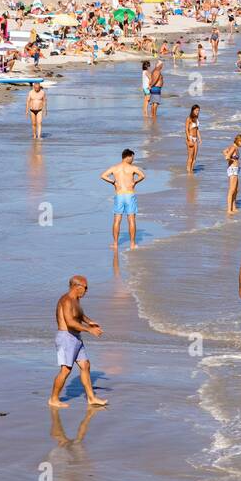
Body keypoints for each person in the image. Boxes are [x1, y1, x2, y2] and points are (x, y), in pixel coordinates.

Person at [49, 275, 108, 408]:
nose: (86, 291)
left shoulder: (76, 300)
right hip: (66, 338)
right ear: (77, 286)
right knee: (66, 370)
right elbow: (70, 323)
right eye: (85, 288)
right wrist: (89, 330)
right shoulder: (66, 300)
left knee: (85, 365)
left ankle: (91, 398)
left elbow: (79, 315)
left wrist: (89, 322)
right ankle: (53, 399)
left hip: (75, 338)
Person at [100, 148, 145, 247]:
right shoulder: (132, 168)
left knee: (117, 220)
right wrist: (135, 182)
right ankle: (132, 244)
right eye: (132, 157)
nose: (133, 160)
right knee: (131, 219)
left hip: (119, 195)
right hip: (129, 194)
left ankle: (115, 244)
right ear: (128, 157)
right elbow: (142, 175)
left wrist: (113, 182)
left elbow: (103, 176)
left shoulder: (115, 167)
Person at [223, 133, 241, 212]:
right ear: (239, 141)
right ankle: (229, 210)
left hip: (235, 170)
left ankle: (234, 207)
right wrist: (233, 160)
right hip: (232, 170)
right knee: (232, 190)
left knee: (236, 189)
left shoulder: (233, 147)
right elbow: (227, 157)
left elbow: (224, 151)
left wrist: (232, 159)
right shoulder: (233, 147)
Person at [185, 104, 200, 172]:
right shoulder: (189, 119)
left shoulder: (196, 119)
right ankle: (189, 171)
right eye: (196, 110)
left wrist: (200, 138)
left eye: (198, 110)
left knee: (194, 158)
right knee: (190, 157)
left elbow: (197, 129)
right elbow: (186, 130)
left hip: (195, 139)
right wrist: (189, 139)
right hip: (190, 138)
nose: (197, 112)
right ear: (193, 110)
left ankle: (191, 170)